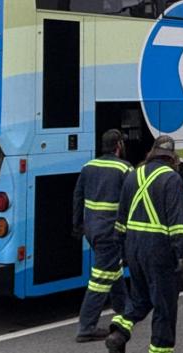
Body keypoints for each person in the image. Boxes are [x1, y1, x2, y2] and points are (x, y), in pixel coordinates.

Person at [105, 135, 183, 353]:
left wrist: (122, 250)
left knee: (140, 299)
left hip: (134, 248)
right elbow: (177, 222)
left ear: (151, 153)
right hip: (159, 251)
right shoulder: (172, 178)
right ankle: (159, 350)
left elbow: (121, 219)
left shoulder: (133, 175)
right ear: (172, 158)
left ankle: (118, 333)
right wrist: (182, 253)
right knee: (165, 307)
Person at [73, 129, 134, 343]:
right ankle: (86, 327)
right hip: (111, 232)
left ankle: (126, 311)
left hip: (92, 230)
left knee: (112, 269)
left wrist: (78, 225)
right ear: (118, 145)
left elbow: (78, 197)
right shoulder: (125, 168)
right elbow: (131, 204)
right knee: (101, 279)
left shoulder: (88, 167)